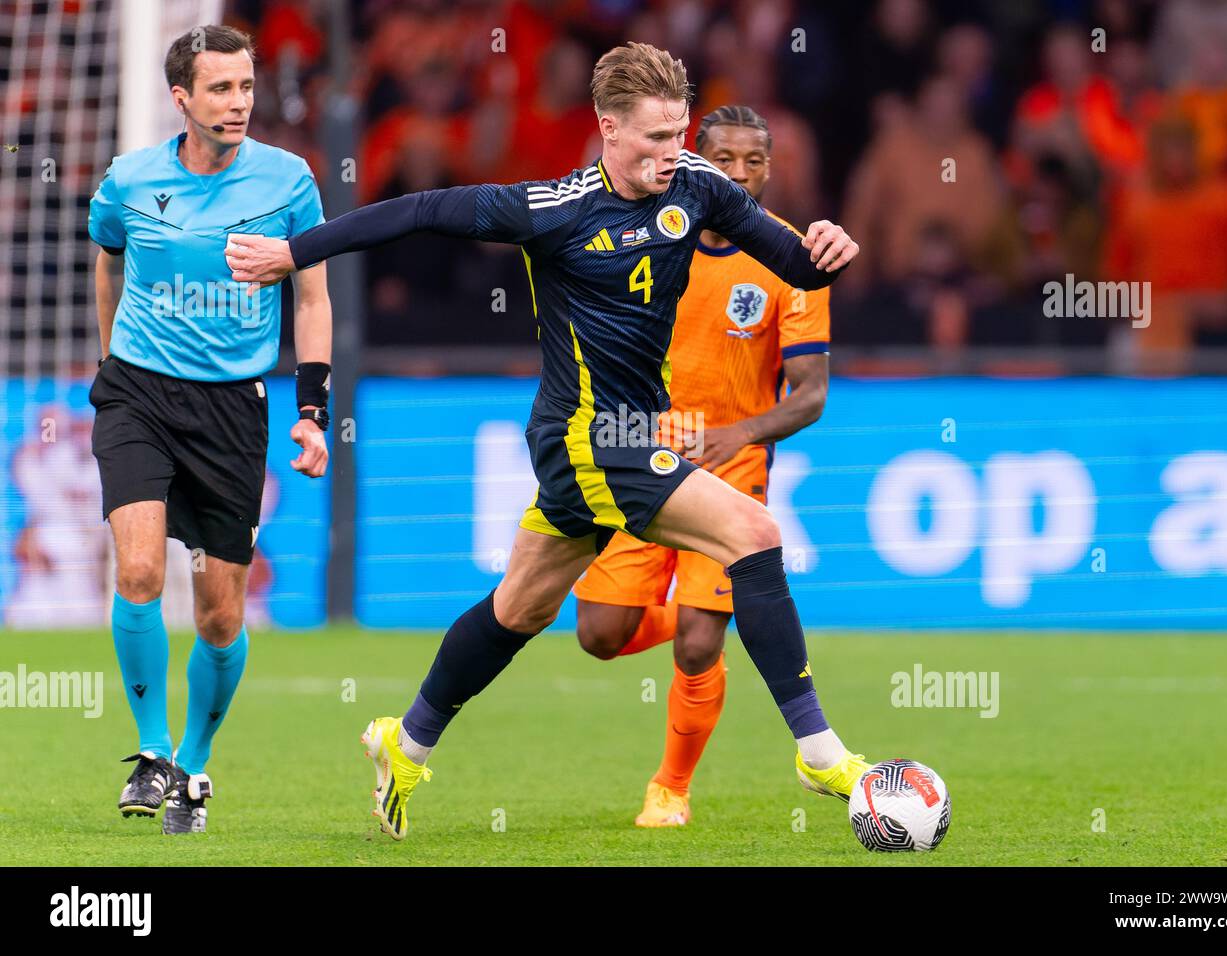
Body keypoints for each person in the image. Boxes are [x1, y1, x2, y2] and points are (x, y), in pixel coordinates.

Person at [226, 42, 862, 843]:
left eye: (679, 134)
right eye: (655, 139)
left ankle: (407, 740)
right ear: (607, 128)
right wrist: (293, 252)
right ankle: (818, 748)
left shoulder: (699, 189)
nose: (674, 154)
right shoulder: (551, 210)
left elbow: (800, 270)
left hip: (624, 435)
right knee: (756, 534)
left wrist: (827, 251)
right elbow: (418, 211)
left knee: (519, 608)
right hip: (589, 439)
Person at [88, 24, 332, 833]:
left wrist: (311, 413)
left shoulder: (290, 181)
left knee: (221, 615)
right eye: (221, 89)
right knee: (137, 573)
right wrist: (108, 365)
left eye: (247, 87)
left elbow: (311, 299)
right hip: (140, 397)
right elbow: (108, 259)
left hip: (233, 407)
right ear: (181, 98)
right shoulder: (128, 181)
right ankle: (153, 754)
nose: (238, 103)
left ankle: (193, 764)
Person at [571, 104, 832, 827]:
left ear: (770, 168)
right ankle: (694, 609)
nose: (740, 173)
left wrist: (734, 435)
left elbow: (809, 396)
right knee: (600, 633)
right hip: (641, 457)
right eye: (724, 159)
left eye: (754, 160)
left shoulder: (791, 258)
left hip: (733, 468)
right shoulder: (650, 235)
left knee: (697, 642)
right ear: (695, 159)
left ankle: (670, 788)